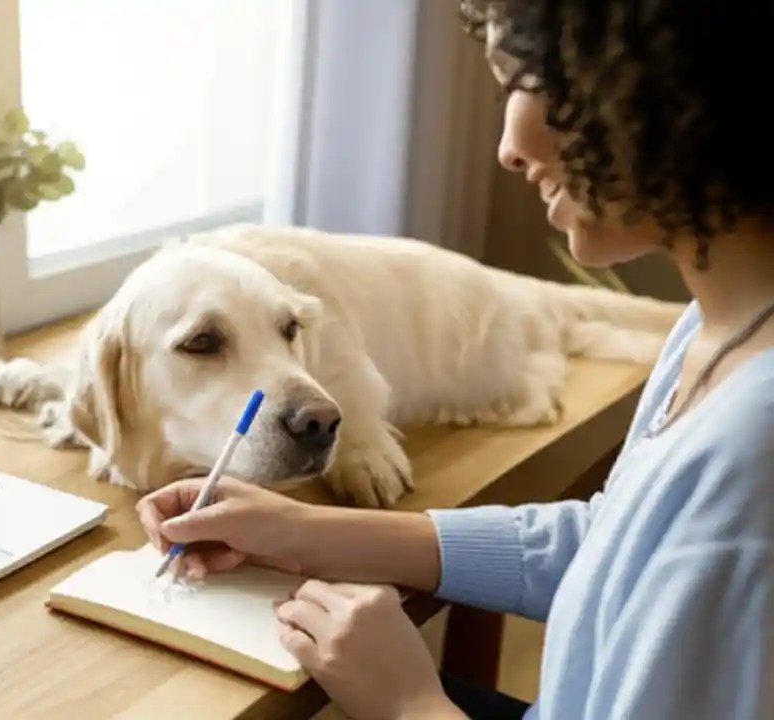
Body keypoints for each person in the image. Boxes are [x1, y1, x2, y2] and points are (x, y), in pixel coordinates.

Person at [136, 2, 774, 718]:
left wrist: (411, 703)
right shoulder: (719, 324)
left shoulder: (754, 453)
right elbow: (622, 550)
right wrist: (302, 532)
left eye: (525, 82)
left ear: (667, 84)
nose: (509, 144)